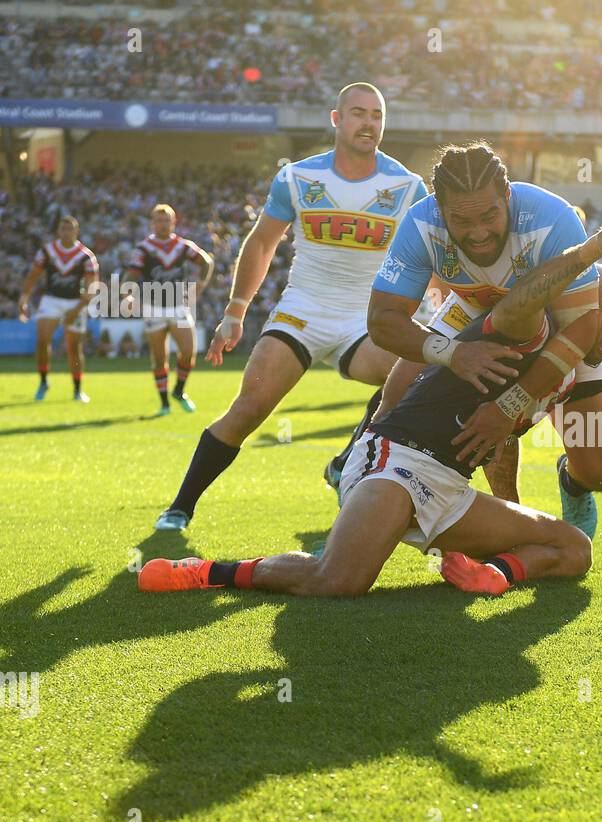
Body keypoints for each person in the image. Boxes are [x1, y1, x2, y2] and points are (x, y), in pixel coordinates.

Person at [137, 204, 602, 597]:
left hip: (447, 488)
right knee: (338, 581)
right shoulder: (515, 319)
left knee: (575, 549)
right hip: (398, 462)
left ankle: (492, 574)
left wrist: (508, 419)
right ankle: (208, 573)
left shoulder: (576, 345)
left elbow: (527, 403)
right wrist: (596, 244)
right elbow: (409, 365)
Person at [152, 83, 427, 531]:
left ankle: (346, 462)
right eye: (358, 113)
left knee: (412, 373)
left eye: (377, 115)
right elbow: (262, 241)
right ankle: (180, 507)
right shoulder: (298, 177)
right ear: (337, 119)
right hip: (302, 312)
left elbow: (426, 254)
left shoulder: (408, 185)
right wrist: (235, 311)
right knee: (250, 408)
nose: (369, 123)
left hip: (365, 318)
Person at [330, 142, 602, 539]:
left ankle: (572, 483)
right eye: (462, 221)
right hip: (472, 312)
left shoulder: (550, 215)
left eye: (490, 215)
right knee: (396, 393)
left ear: (507, 195)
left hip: (565, 322)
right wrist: (453, 353)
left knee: (599, 472)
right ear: (440, 209)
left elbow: (580, 326)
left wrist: (511, 405)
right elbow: (383, 320)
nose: (479, 233)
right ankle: (363, 502)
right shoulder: (420, 224)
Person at [124, 203, 213, 416]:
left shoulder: (183, 246)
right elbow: (132, 274)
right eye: (158, 221)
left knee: (189, 352)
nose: (163, 225)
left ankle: (179, 391)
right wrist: (127, 293)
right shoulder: (144, 249)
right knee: (159, 357)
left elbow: (206, 262)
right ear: (152, 224)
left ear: (174, 223)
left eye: (166, 220)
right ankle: (164, 404)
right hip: (152, 306)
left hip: (178, 305)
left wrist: (200, 284)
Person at [17, 216, 99, 403]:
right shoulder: (47, 251)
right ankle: (44, 381)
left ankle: (77, 389)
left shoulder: (86, 255)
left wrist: (77, 309)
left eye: (70, 229)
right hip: (51, 300)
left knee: (74, 348)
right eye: (63, 229)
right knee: (42, 340)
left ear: (76, 232)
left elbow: (92, 287)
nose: (66, 232)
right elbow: (33, 276)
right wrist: (24, 298)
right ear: (58, 231)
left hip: (75, 302)